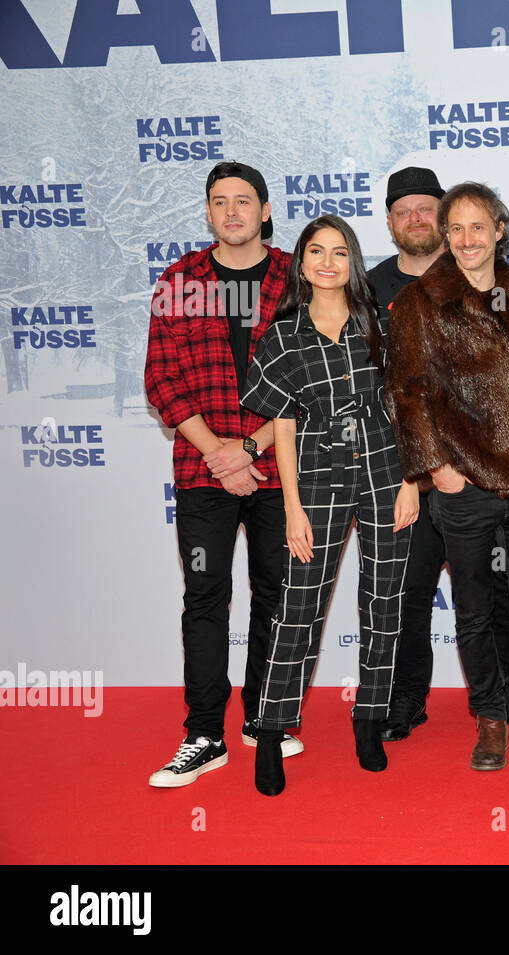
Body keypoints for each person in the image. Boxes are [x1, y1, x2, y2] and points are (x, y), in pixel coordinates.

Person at [241, 215, 418, 796]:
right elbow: (283, 424)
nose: (327, 262)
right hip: (314, 477)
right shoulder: (282, 334)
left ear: (354, 262)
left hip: (385, 469)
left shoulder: (382, 327)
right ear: (301, 262)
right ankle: (270, 730)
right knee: (299, 608)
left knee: (383, 599)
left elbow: (406, 407)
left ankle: (369, 719)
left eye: (339, 252)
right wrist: (292, 507)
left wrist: (411, 480)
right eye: (316, 251)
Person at [385, 183, 509, 771]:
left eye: (477, 227)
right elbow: (406, 393)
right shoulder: (419, 300)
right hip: (463, 486)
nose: (466, 240)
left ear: (500, 231)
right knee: (475, 610)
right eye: (455, 228)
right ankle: (489, 713)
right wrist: (436, 467)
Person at [145, 161, 298, 788]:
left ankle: (264, 719)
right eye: (219, 202)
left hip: (278, 463)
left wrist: (253, 448)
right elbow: (161, 377)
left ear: (265, 210)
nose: (232, 211)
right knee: (205, 598)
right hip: (203, 467)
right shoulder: (179, 279)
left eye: (244, 201)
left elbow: (314, 377)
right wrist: (219, 452)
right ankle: (204, 732)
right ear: (208, 214)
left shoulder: (300, 275)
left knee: (277, 595)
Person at [366, 165, 447, 743]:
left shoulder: (477, 274)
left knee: (490, 595)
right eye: (404, 211)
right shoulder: (365, 288)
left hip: (473, 471)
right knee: (405, 592)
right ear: (390, 222)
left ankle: (500, 707)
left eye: (427, 208)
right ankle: (406, 698)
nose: (416, 219)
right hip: (400, 473)